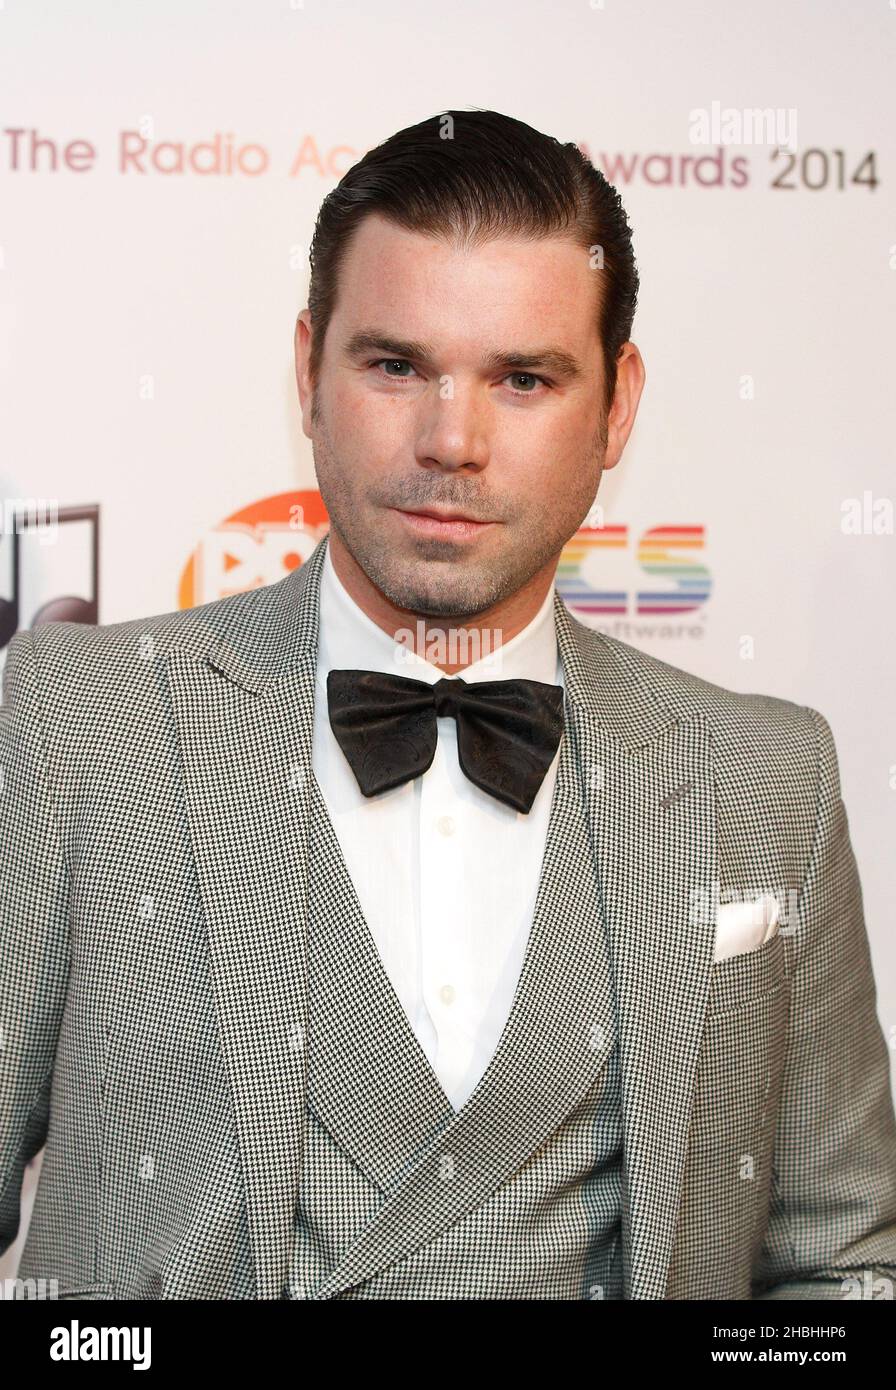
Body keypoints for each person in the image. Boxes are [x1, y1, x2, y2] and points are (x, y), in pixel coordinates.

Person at [2, 108, 894, 1301]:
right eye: (395, 365)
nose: (450, 440)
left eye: (522, 378)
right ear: (308, 374)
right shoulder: (79, 721)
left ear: (616, 405)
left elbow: (837, 1264)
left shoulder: (763, 778)